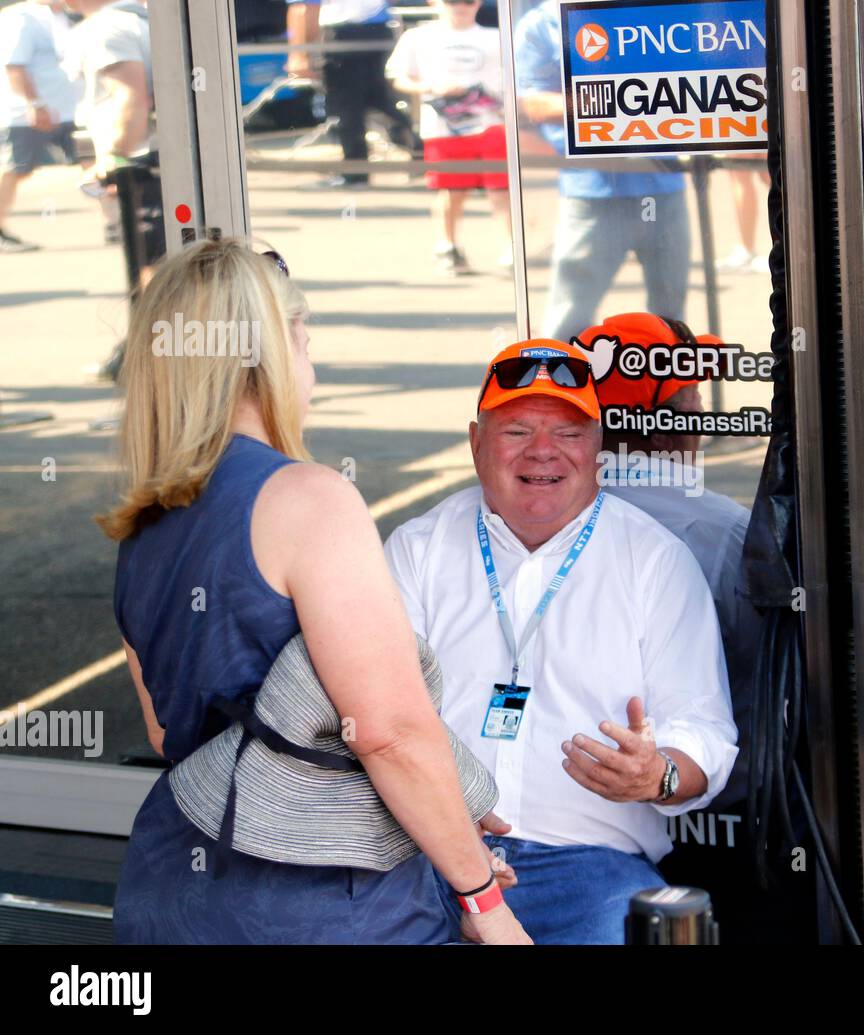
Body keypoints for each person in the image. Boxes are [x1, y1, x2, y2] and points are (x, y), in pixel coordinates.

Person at [97, 238, 530, 944]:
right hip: (328, 907)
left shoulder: (141, 528)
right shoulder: (310, 499)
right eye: (304, 336)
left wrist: (446, 808)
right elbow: (389, 730)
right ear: (280, 346)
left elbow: (167, 731)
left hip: (175, 892)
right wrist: (482, 895)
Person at [384, 337, 738, 943]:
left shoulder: (653, 560)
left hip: (590, 868)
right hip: (431, 855)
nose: (543, 451)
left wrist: (658, 777)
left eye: (569, 433)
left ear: (598, 447)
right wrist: (461, 856)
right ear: (476, 444)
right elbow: (382, 717)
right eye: (516, 430)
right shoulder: (419, 550)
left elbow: (704, 730)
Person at [576, 312, 758, 810]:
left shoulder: (539, 518)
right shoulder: (722, 532)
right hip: (718, 806)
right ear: (662, 430)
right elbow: (772, 668)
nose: (701, 413)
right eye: (695, 399)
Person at [513, 0, 690, 341]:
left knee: (670, 319)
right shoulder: (543, 23)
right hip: (592, 189)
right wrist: (616, 99)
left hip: (662, 185)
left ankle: (672, 394)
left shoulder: (654, 11)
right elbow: (532, 102)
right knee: (569, 316)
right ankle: (557, 392)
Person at [63, 0, 160, 380]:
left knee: (153, 265)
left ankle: (146, 353)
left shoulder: (109, 28)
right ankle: (145, 349)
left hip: (138, 161)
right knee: (157, 262)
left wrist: (112, 155)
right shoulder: (140, 20)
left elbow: (130, 97)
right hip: (150, 157)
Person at [385, 0, 510, 275]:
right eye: (453, 0)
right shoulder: (418, 37)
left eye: (468, 0)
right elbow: (398, 77)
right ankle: (447, 245)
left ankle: (510, 249)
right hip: (443, 125)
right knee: (452, 190)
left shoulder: (497, 37)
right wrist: (430, 87)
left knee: (501, 189)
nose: (461, 6)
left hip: (493, 123)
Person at [286, 0, 416, 188]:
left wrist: (299, 55)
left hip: (344, 33)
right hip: (378, 30)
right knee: (377, 100)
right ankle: (422, 151)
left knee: (346, 105)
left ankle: (355, 171)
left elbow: (303, 9)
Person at [0, 0, 77, 253]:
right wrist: (34, 103)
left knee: (91, 164)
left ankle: (116, 224)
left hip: (68, 110)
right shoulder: (21, 17)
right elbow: (14, 66)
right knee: (15, 169)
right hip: (27, 113)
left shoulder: (67, 15)